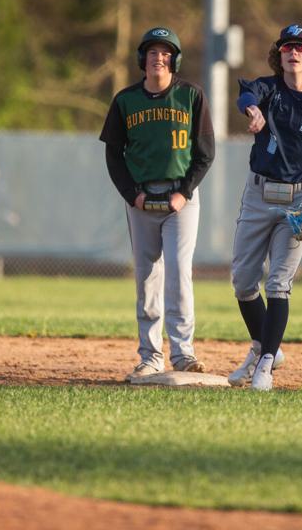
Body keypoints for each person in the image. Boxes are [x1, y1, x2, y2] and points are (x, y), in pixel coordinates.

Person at [228, 24, 302, 391]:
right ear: (279, 55)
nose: (293, 52)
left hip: (299, 201)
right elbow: (246, 95)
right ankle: (266, 347)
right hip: (258, 195)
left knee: (279, 283)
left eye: (301, 47)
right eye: (287, 47)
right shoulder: (269, 90)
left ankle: (265, 363)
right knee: (243, 282)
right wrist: (253, 110)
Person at [100, 27, 215, 380]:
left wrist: (185, 191)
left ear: (175, 60)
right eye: (152, 52)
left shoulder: (191, 96)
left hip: (181, 198)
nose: (159, 58)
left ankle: (183, 353)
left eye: (166, 53)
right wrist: (131, 194)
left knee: (178, 271)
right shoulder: (125, 100)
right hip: (141, 197)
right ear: (142, 58)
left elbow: (205, 153)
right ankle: (150, 356)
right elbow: (113, 155)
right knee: (147, 275)